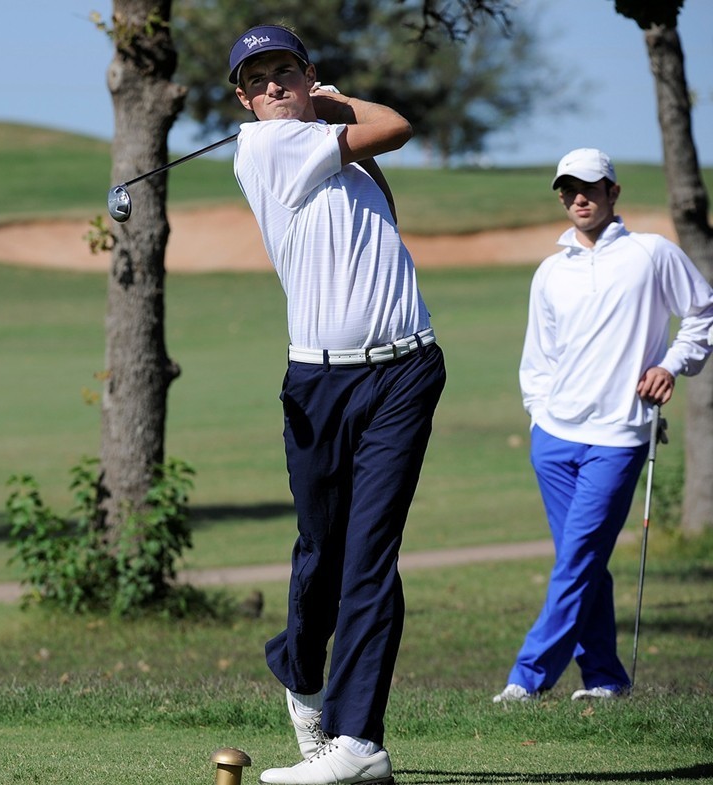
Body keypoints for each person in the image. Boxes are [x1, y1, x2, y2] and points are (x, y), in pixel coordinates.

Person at [227, 24, 447, 785]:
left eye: (287, 71)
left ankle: (359, 743)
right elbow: (394, 125)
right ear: (246, 100)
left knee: (369, 556)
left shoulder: (337, 155)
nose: (276, 87)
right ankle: (300, 670)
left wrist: (330, 110)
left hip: (405, 370)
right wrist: (335, 103)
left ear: (306, 72)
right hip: (320, 384)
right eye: (260, 81)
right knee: (322, 548)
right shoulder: (267, 147)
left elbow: (382, 184)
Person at [493, 148, 713, 704]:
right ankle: (606, 680)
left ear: (614, 192)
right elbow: (538, 356)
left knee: (580, 555)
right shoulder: (551, 271)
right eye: (567, 189)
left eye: (589, 187)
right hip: (554, 435)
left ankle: (527, 678)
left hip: (619, 435)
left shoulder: (651, 254)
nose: (578, 197)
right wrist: (539, 416)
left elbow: (704, 311)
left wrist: (672, 365)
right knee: (582, 558)